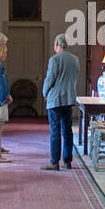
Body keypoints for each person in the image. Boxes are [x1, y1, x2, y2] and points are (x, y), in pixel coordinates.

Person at [40, 34, 80, 170]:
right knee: (67, 130)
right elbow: (74, 78)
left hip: (55, 99)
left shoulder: (55, 59)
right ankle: (67, 160)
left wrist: (44, 93)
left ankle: (54, 162)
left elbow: (50, 79)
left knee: (55, 131)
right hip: (69, 98)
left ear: (57, 44)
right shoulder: (75, 60)